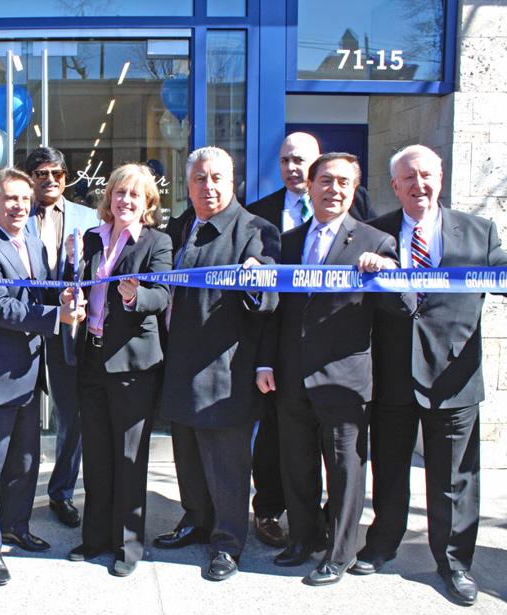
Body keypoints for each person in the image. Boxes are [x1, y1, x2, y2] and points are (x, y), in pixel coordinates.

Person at [354, 145, 507, 606]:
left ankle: (455, 562)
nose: (418, 185)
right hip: (392, 373)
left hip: (453, 375)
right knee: (389, 469)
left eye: (426, 175)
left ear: (440, 178)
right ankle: (382, 545)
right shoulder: (374, 233)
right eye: (408, 178)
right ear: (394, 186)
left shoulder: (479, 231)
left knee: (454, 477)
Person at [255, 152, 415, 587]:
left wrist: (388, 273)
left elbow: (404, 307)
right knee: (297, 467)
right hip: (291, 377)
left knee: (345, 472)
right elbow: (275, 311)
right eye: (326, 181)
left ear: (354, 190)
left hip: (344, 380)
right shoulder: (287, 242)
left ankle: (338, 554)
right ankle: (303, 540)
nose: (334, 190)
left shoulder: (376, 241)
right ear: (309, 187)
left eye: (344, 182)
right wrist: (266, 362)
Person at [0, 167, 84, 586]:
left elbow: (40, 292)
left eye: (25, 199)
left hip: (26, 375)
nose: (19, 206)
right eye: (10, 198)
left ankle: (15, 527)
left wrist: (65, 288)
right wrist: (57, 316)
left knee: (25, 464)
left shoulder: (31, 242)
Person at [156, 147, 280, 581]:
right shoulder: (179, 227)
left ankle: (227, 542)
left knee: (226, 465)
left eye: (216, 178)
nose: (208, 187)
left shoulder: (256, 230)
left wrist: (255, 280)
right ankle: (196, 520)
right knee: (187, 456)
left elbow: (269, 300)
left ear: (232, 182)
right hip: (179, 364)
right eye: (199, 179)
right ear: (188, 185)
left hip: (225, 369)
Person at [245, 132, 373, 547]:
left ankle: (334, 539)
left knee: (340, 459)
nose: (292, 168)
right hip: (287, 361)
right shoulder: (266, 219)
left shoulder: (362, 218)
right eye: (285, 160)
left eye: (300, 160)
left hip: (339, 366)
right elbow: (272, 301)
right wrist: (266, 359)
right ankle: (278, 519)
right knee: (283, 452)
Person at [62, 163, 170, 577]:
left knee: (128, 457)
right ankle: (95, 539)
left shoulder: (157, 242)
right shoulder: (92, 238)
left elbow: (162, 295)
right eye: (120, 192)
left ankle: (128, 546)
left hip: (132, 364)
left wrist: (134, 297)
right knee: (96, 454)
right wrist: (70, 278)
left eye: (135, 195)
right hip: (91, 357)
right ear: (109, 197)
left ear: (148, 203)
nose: (126, 200)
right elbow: (75, 283)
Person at [24, 146, 99, 528]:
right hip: (24, 328)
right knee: (21, 416)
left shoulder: (88, 217)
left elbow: (100, 269)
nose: (50, 180)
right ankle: (16, 493)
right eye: (42, 174)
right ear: (30, 178)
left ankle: (62, 492)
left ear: (66, 178)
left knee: (71, 415)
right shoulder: (15, 214)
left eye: (57, 174)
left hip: (69, 330)